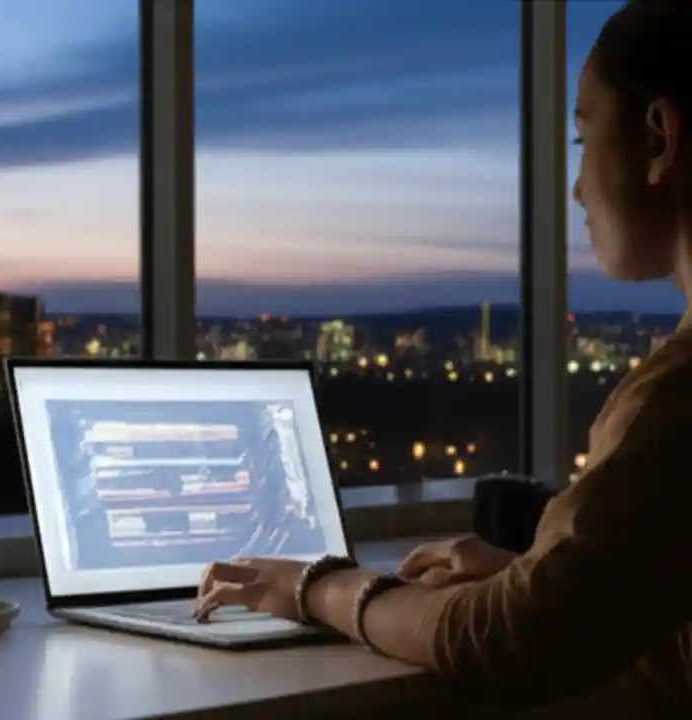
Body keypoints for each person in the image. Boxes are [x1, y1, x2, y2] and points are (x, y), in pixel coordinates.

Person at [195, 0, 692, 711]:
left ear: (659, 138)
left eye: (583, 141)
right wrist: (534, 572)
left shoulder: (676, 398)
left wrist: (318, 588)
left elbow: (513, 641)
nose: (578, 189)